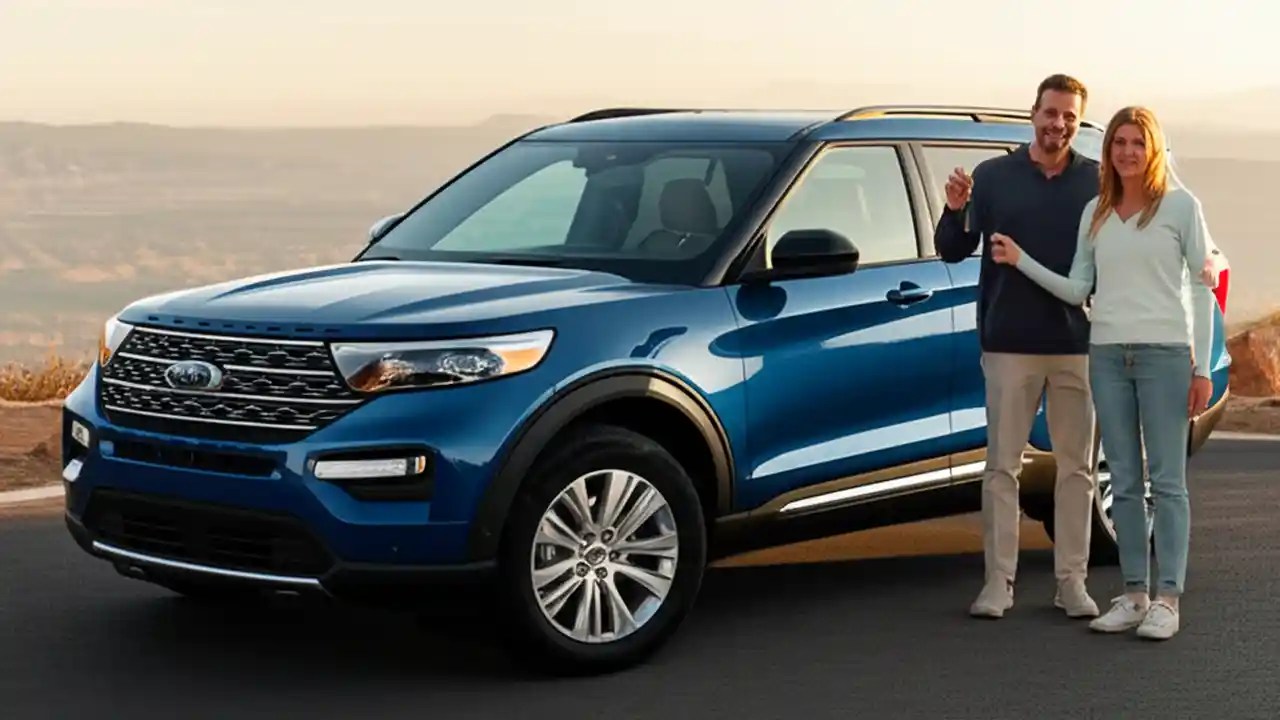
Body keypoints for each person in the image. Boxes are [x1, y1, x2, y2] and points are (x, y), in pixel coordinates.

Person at [990, 105, 1215, 640]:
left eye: (1138, 142)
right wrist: (1020, 259)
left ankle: (1168, 600)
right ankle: (1135, 593)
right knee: (1127, 482)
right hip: (1107, 356)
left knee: (1167, 482)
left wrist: (1201, 368)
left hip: (1164, 355)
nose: (1128, 152)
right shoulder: (1097, 210)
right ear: (1108, 151)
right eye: (1119, 142)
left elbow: (1202, 290)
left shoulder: (1182, 207)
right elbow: (1076, 289)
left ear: (1153, 148)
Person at [934, 73, 1101, 620]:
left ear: (1078, 122)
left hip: (1078, 345)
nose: (1059, 124)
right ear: (1033, 113)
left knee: (1076, 468)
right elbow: (954, 250)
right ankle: (998, 583)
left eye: (1070, 117)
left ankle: (1071, 583)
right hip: (1009, 344)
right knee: (1002, 467)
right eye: (1051, 113)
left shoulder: (1097, 183)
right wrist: (956, 209)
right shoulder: (994, 176)